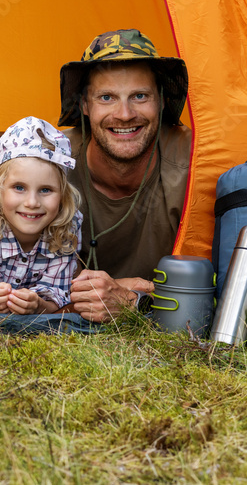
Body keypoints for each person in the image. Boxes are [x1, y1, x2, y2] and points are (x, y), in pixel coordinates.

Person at [58, 29, 192, 322]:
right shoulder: (53, 162)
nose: (125, 114)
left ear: (162, 101)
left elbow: (212, 283)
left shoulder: (195, 164)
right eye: (106, 97)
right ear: (84, 105)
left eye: (140, 96)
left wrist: (133, 300)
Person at [0, 117, 82, 314]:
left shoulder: (69, 226)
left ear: (63, 195)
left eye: (45, 190)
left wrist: (39, 305)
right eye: (19, 187)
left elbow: (57, 293)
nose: (32, 203)